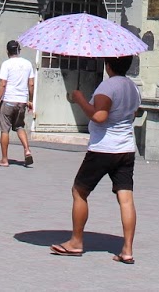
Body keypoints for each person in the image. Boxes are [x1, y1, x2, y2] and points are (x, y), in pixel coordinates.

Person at [49, 54, 140, 264]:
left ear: (108, 65)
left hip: (103, 148)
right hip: (125, 148)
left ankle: (76, 241)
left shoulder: (107, 87)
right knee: (125, 199)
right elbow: (134, 113)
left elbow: (100, 116)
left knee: (79, 191)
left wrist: (80, 99)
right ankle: (127, 249)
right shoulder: (133, 88)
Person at [0, 39, 36, 167]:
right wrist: (30, 100)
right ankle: (27, 150)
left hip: (8, 101)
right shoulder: (28, 64)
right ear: (19, 51)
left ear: (7, 51)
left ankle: (4, 160)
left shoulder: (6, 64)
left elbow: (3, 84)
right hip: (21, 102)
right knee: (19, 126)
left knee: (4, 130)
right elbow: (31, 84)